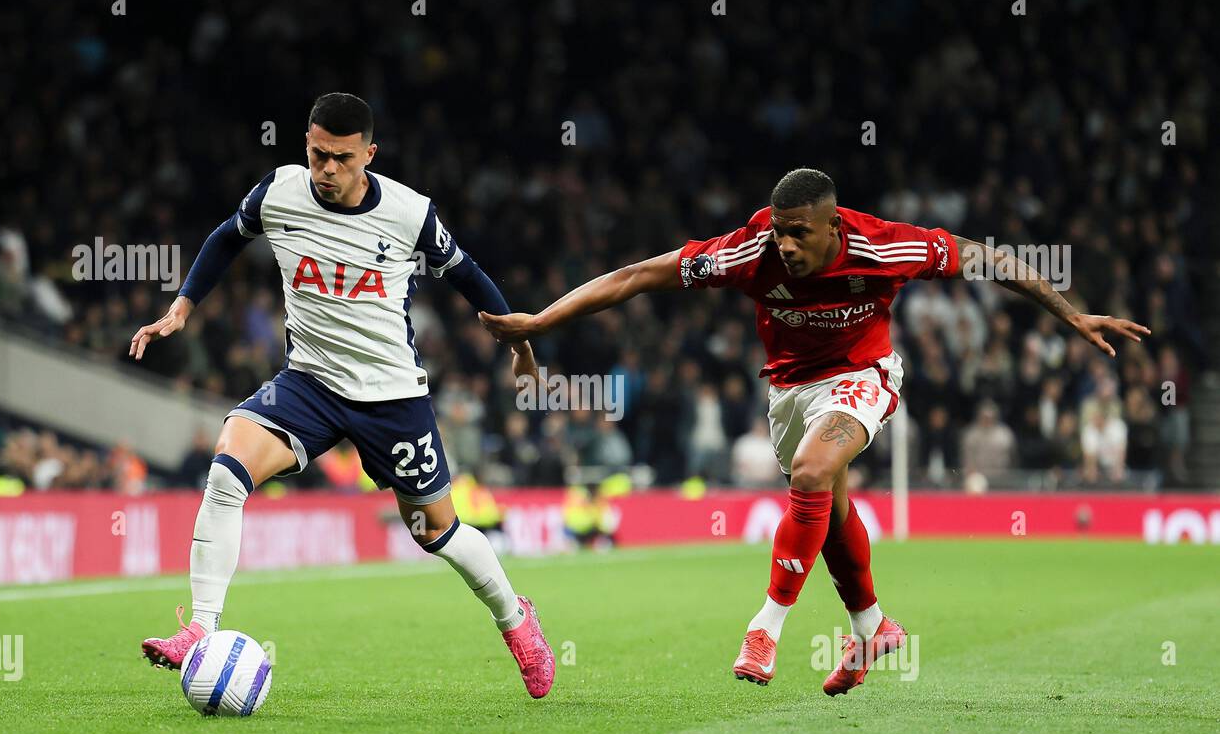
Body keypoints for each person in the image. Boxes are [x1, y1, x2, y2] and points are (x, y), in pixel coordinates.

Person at [480, 167, 1148, 696]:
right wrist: (541, 323)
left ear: (835, 227)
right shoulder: (748, 254)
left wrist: (1073, 316)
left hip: (866, 373)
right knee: (828, 508)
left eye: (800, 233)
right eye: (780, 233)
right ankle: (872, 626)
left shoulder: (890, 244)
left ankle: (765, 628)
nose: (787, 246)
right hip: (790, 390)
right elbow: (634, 277)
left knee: (809, 473)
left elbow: (988, 259)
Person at [128, 94, 554, 698]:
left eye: (341, 159)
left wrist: (521, 339)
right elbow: (227, 237)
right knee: (227, 469)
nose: (325, 170)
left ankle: (516, 621)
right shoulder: (279, 191)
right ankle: (201, 627)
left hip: (390, 396)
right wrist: (182, 305)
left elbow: (468, 275)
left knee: (435, 531)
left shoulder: (410, 213)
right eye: (317, 154)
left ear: (369, 156)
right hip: (310, 382)